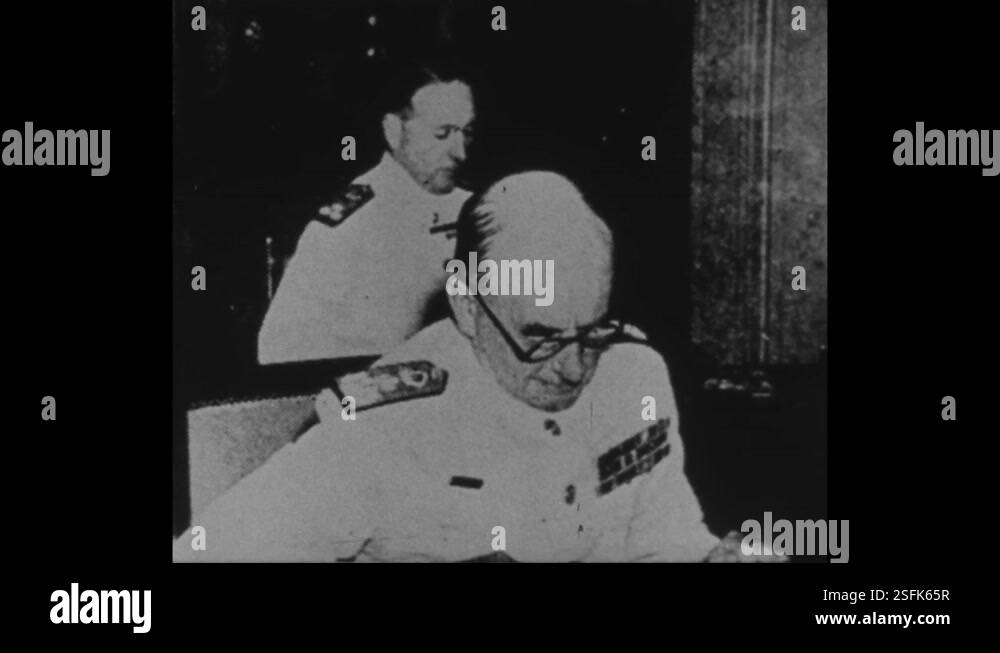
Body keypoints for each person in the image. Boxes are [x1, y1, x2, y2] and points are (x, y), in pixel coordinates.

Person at [176, 172, 764, 562]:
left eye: (591, 331)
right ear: (465, 302)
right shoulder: (385, 428)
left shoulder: (632, 377)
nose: (572, 367)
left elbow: (664, 537)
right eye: (540, 337)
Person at [257, 58, 475, 364]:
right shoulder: (350, 227)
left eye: (466, 133)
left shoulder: (476, 208)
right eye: (442, 134)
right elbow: (277, 350)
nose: (460, 152)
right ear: (393, 130)